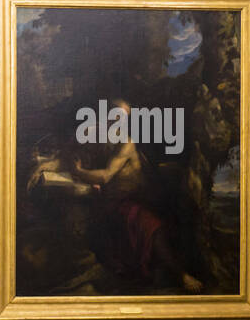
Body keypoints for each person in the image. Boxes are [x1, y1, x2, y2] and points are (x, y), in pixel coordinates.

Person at [69, 99, 202, 293]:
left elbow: (106, 176)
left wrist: (79, 171)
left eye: (123, 117)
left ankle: (181, 274)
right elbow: (82, 158)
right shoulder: (98, 136)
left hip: (137, 200)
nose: (118, 120)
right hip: (113, 202)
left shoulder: (126, 143)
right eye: (115, 115)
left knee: (149, 225)